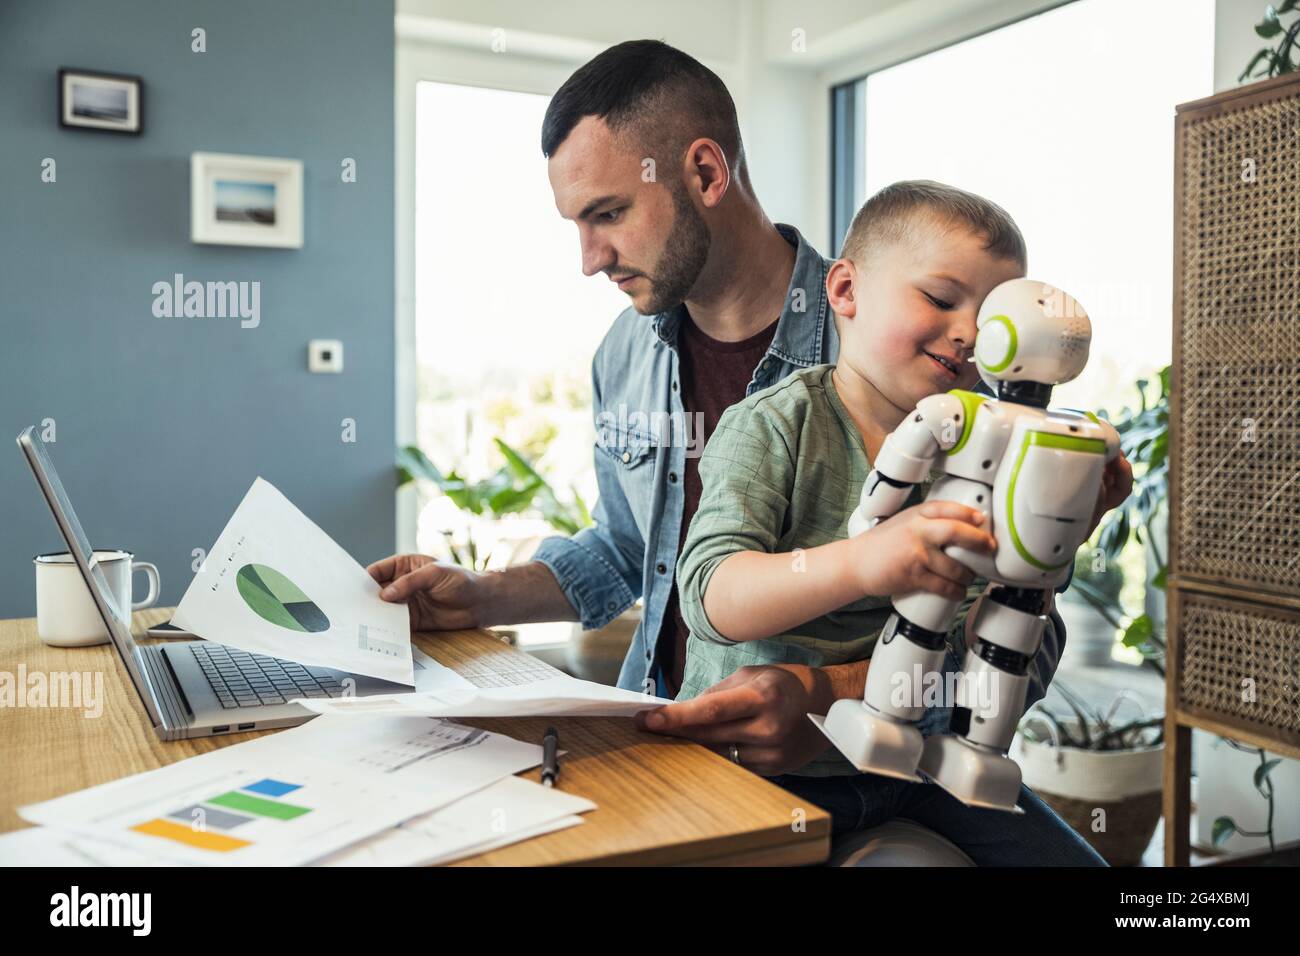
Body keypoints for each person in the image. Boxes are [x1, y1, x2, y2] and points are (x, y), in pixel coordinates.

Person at [368, 40, 1133, 785]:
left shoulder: (912, 358)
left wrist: (825, 698)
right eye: (576, 224)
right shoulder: (625, 354)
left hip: (870, 769)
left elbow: (1019, 634)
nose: (589, 258)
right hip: (665, 740)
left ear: (705, 172)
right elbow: (630, 546)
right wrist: (483, 593)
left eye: (608, 214)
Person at [673, 180, 1109, 864]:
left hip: (923, 767)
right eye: (940, 299)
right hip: (760, 770)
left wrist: (1055, 539)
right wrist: (867, 560)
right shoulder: (775, 424)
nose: (968, 333)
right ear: (843, 291)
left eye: (990, 316)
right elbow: (709, 595)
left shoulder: (988, 453)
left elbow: (990, 648)